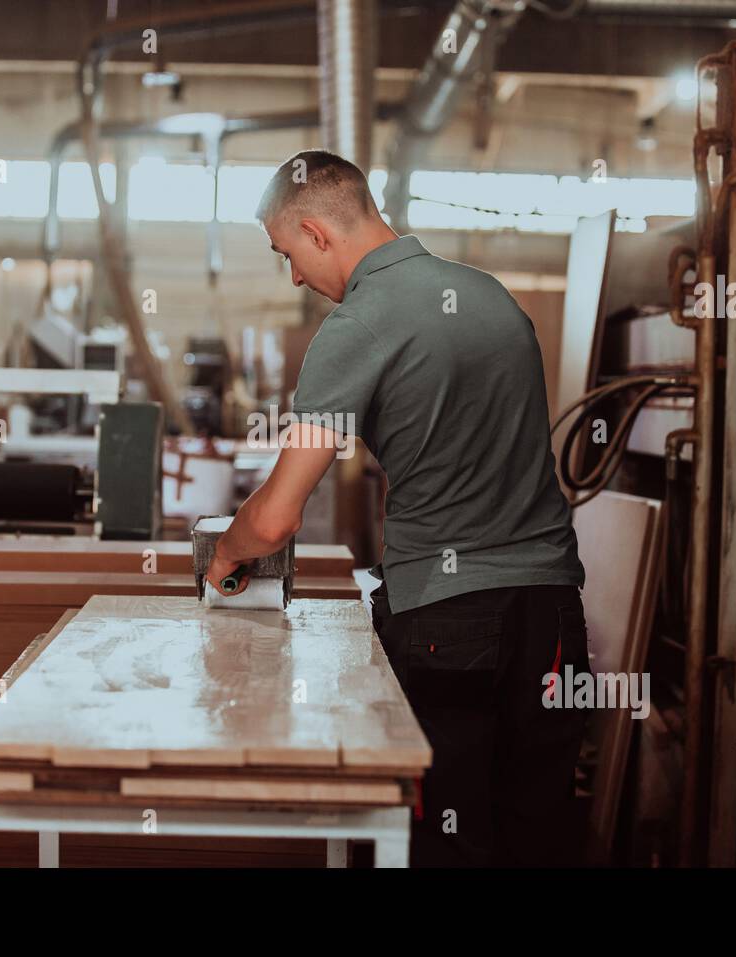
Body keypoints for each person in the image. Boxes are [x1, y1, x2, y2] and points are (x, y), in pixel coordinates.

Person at [206, 149, 589, 867]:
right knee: (539, 831)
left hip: (448, 624)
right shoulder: (492, 298)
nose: (293, 275)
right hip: (552, 615)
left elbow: (277, 516)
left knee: (441, 838)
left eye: (287, 253)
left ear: (317, 233)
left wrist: (225, 554)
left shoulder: (358, 325)